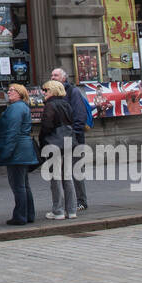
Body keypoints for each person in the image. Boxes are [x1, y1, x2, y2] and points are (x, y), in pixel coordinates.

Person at [0, 84, 37, 225]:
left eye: (13, 90)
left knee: (18, 186)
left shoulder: (16, 108)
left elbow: (12, 132)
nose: (9, 92)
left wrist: (6, 152)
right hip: (22, 149)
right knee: (24, 185)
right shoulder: (21, 106)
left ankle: (20, 216)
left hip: (17, 150)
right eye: (9, 90)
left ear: (21, 93)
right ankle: (28, 214)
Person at [50, 67, 90, 211]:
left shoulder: (73, 92)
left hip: (74, 140)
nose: (53, 77)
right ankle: (69, 202)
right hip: (60, 140)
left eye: (56, 75)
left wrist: (73, 136)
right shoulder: (54, 95)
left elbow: (80, 116)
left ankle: (81, 201)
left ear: (64, 78)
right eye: (52, 75)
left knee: (76, 170)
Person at [39, 79, 76, 220]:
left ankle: (58, 210)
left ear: (53, 91)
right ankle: (71, 210)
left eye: (46, 90)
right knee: (67, 176)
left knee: (56, 179)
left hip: (54, 143)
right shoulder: (66, 104)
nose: (44, 93)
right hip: (68, 142)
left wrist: (42, 140)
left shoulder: (50, 105)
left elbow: (47, 126)